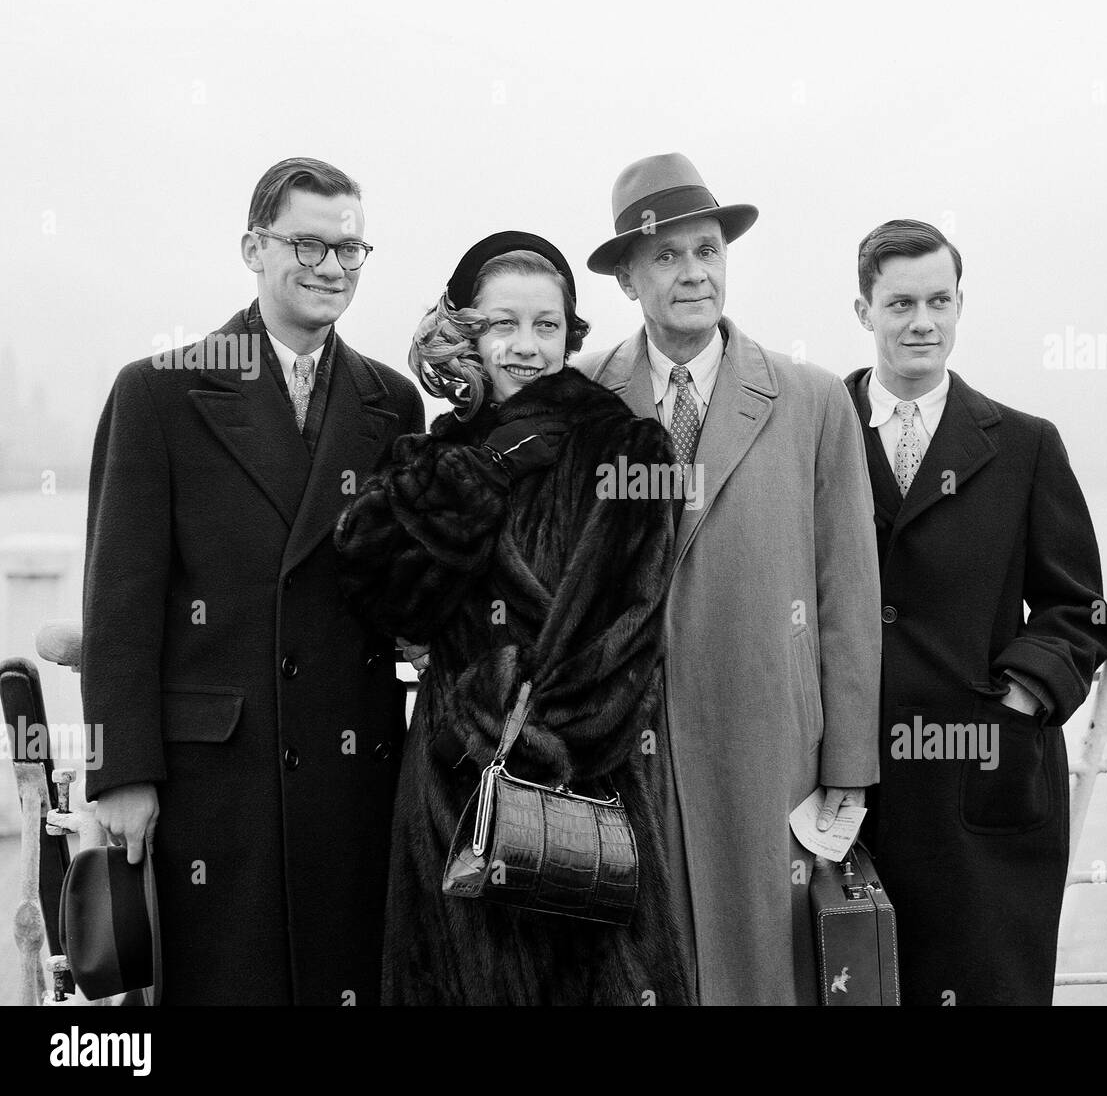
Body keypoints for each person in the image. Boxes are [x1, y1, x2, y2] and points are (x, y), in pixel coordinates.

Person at [81, 157, 424, 1005]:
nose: (331, 267)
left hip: (354, 773)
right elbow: (119, 600)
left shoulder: (392, 400)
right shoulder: (160, 393)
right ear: (253, 248)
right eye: (307, 243)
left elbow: (401, 583)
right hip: (219, 782)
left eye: (350, 249)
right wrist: (122, 773)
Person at [334, 231, 691, 1005]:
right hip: (442, 808)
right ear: (468, 330)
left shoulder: (629, 446)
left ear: (571, 335)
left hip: (573, 807)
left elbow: (623, 645)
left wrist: (495, 720)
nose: (525, 347)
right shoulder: (438, 452)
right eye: (503, 324)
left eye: (546, 325)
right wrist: (483, 469)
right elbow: (382, 591)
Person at [576, 153, 882, 1005]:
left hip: (769, 756)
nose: (693, 274)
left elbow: (847, 596)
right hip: (623, 755)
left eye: (706, 250)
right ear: (629, 277)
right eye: (666, 257)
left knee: (765, 975)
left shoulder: (813, 401)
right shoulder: (581, 396)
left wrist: (850, 761)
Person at [845, 218, 1107, 1005]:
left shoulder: (1026, 445)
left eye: (939, 300)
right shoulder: (813, 430)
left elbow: (1079, 610)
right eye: (899, 303)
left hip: (980, 788)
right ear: (864, 312)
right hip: (843, 787)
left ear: (961, 305)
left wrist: (1018, 699)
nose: (921, 321)